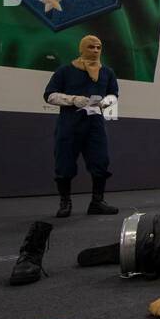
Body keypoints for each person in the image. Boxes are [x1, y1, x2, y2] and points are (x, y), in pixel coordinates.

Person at [43, 34, 119, 217]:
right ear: (82, 48)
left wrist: (105, 103)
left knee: (100, 161)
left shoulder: (107, 73)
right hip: (70, 124)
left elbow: (114, 95)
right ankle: (65, 202)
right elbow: (49, 95)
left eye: (98, 47)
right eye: (91, 47)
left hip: (95, 124)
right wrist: (73, 99)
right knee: (64, 162)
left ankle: (97, 201)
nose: (95, 51)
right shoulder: (65, 71)